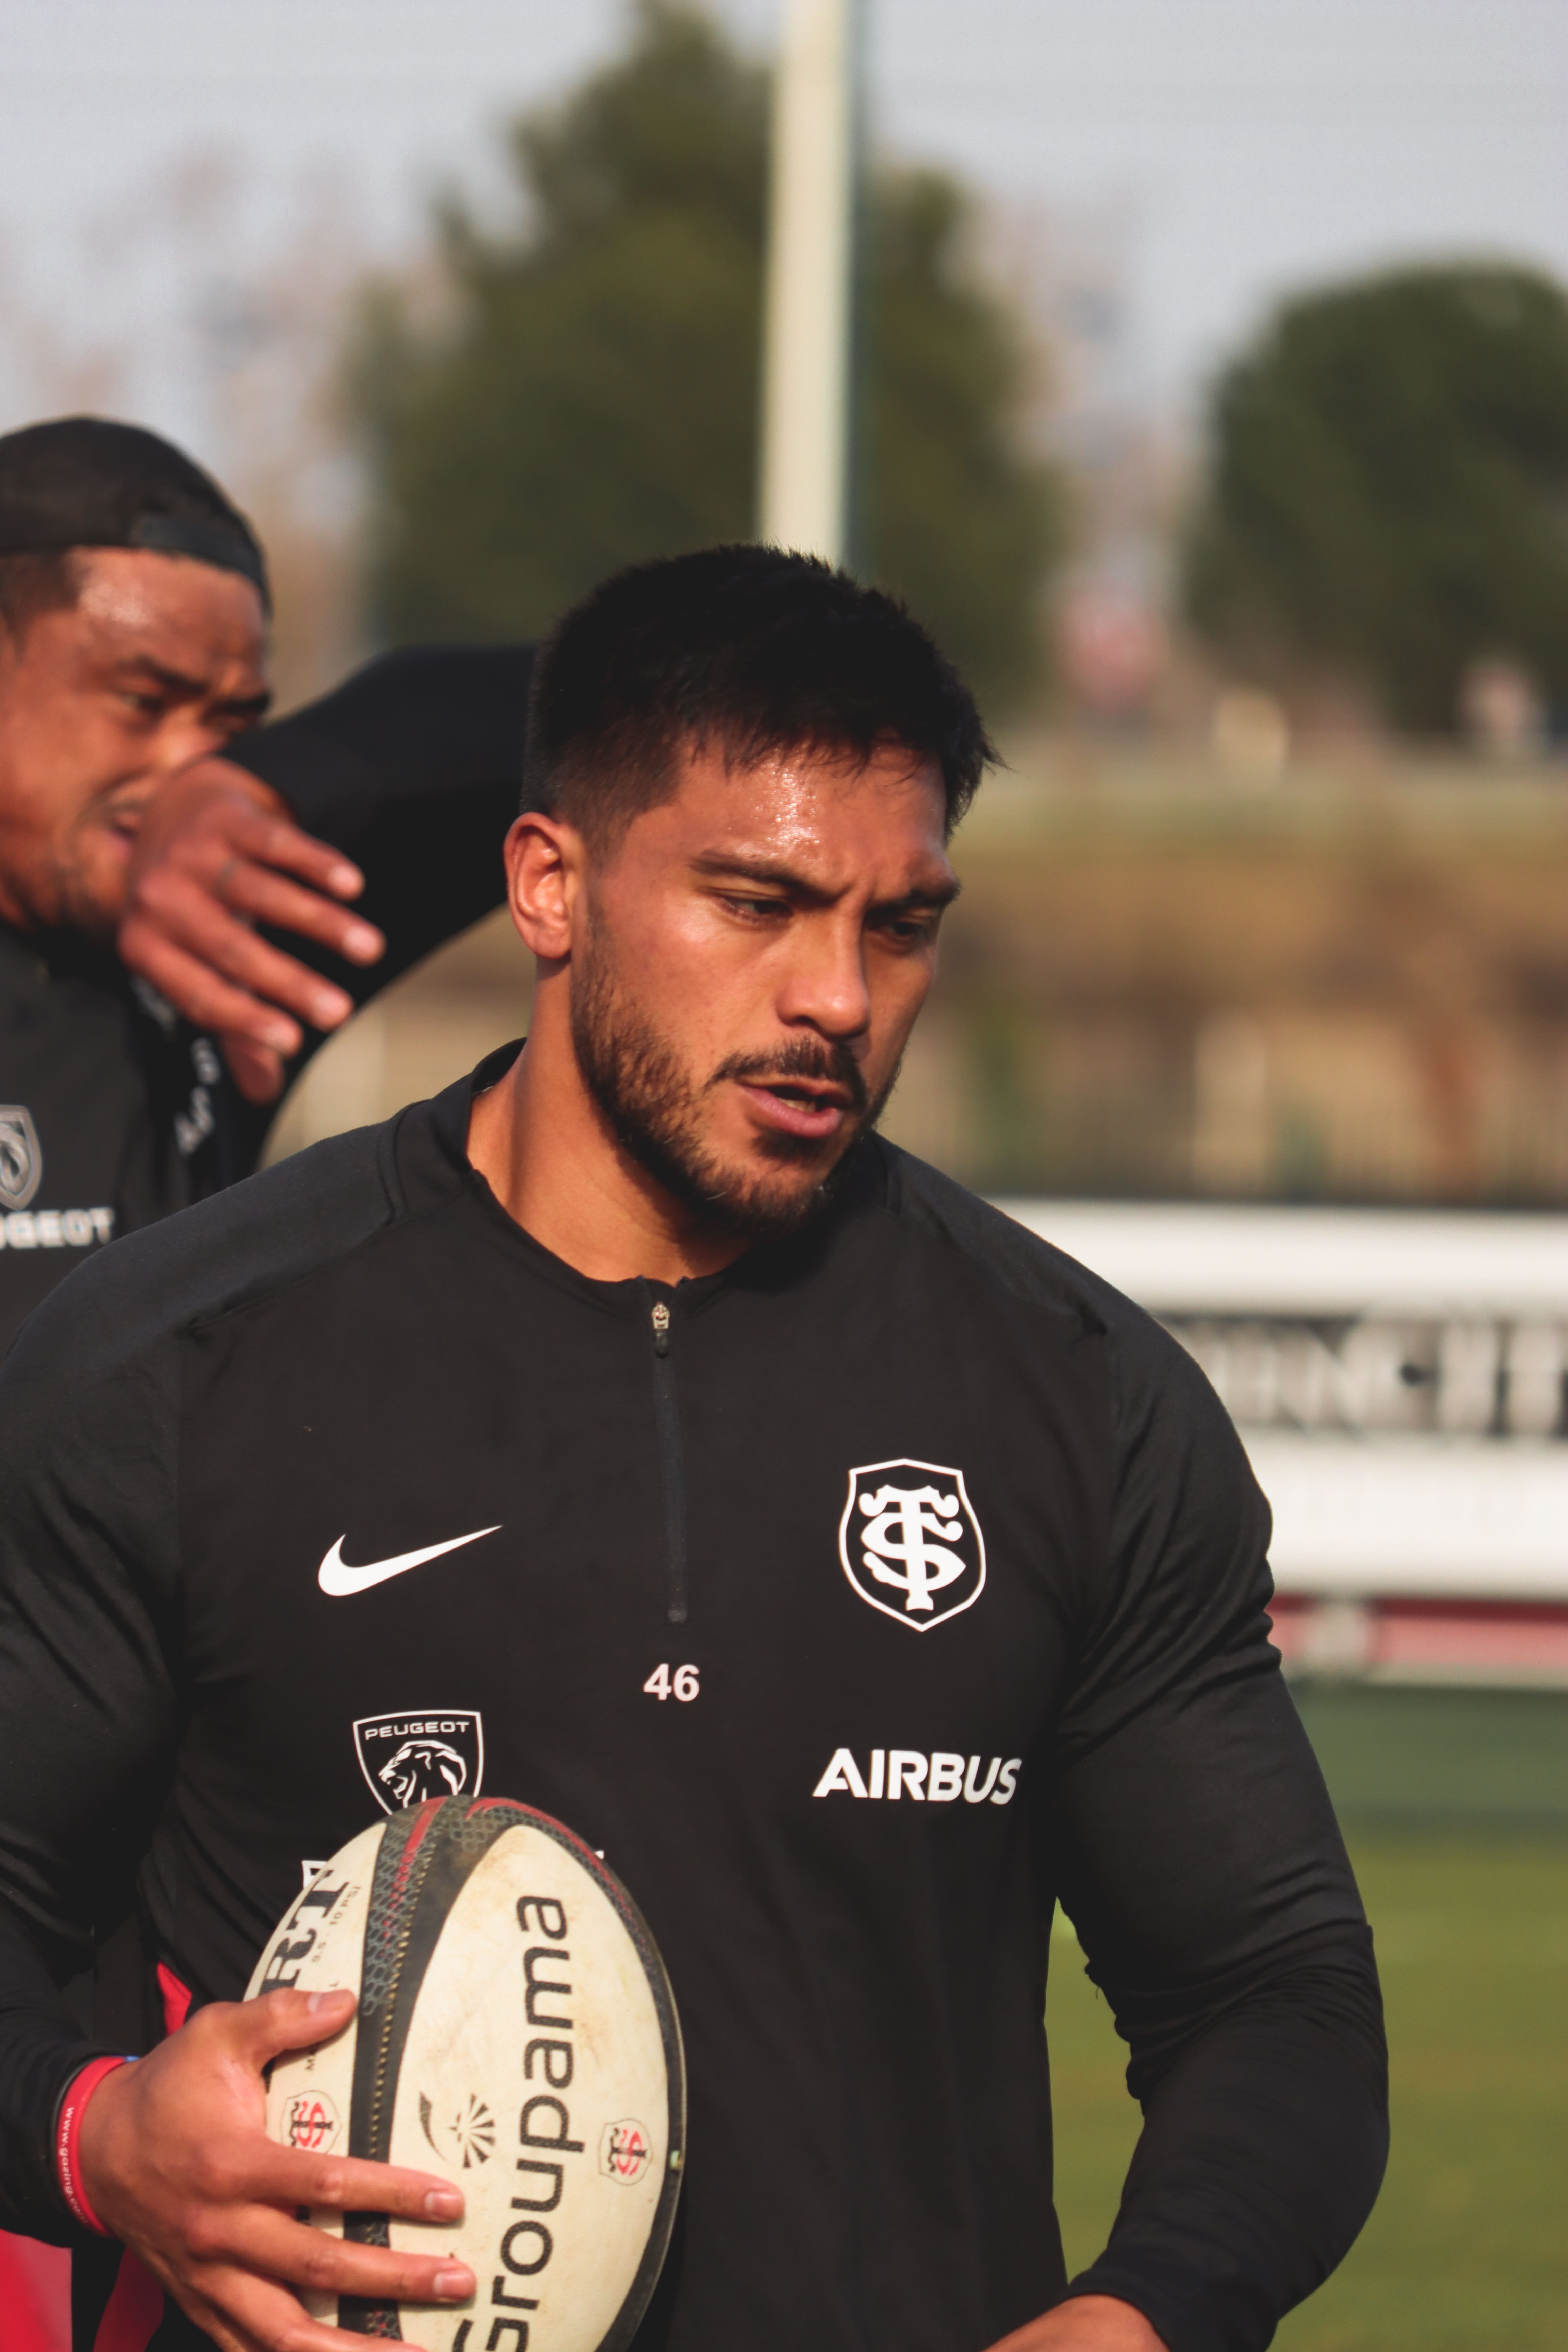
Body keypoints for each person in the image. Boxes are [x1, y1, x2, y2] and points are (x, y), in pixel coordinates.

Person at [0, 547, 1387, 2352]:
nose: (837, 997)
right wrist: (95, 2138)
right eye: (758, 902)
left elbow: (1271, 1990)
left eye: (900, 926)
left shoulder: (1076, 1396)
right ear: (548, 885)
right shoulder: (174, 1361)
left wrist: (1147, 2314)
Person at [0, 414, 532, 1354]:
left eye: (235, 724)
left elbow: (608, 697)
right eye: (141, 701)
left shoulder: (238, 922)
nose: (186, 763)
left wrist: (278, 777)